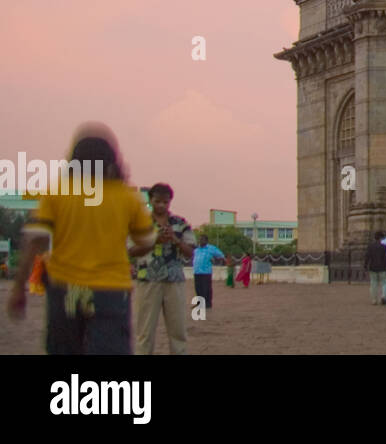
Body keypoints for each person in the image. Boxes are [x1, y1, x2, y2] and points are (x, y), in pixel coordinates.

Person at [6, 123, 156, 355]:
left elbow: (35, 242)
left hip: (66, 288)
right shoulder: (128, 197)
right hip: (111, 290)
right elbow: (146, 242)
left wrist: (18, 289)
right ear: (112, 160)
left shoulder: (57, 192)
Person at [131, 182, 197, 355]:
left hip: (173, 281)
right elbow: (131, 250)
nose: (161, 205)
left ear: (170, 202)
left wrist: (175, 240)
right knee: (144, 332)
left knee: (178, 332)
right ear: (150, 200)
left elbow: (191, 252)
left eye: (165, 202)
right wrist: (154, 240)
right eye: (157, 201)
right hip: (147, 280)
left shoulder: (180, 223)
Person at [191, 234, 226, 311]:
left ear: (206, 241)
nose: (200, 241)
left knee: (206, 288)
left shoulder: (211, 248)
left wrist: (215, 260)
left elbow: (221, 256)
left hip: (206, 272)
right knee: (198, 289)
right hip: (197, 272)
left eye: (202, 239)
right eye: (199, 239)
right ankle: (199, 303)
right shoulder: (196, 249)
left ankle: (207, 304)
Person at [364, 231, 386, 305]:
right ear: (381, 238)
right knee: (384, 282)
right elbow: (385, 258)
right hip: (382, 267)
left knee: (373, 283)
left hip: (373, 267)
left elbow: (367, 257)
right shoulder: (383, 246)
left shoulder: (370, 246)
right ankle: (384, 296)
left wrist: (365, 266)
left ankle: (374, 300)